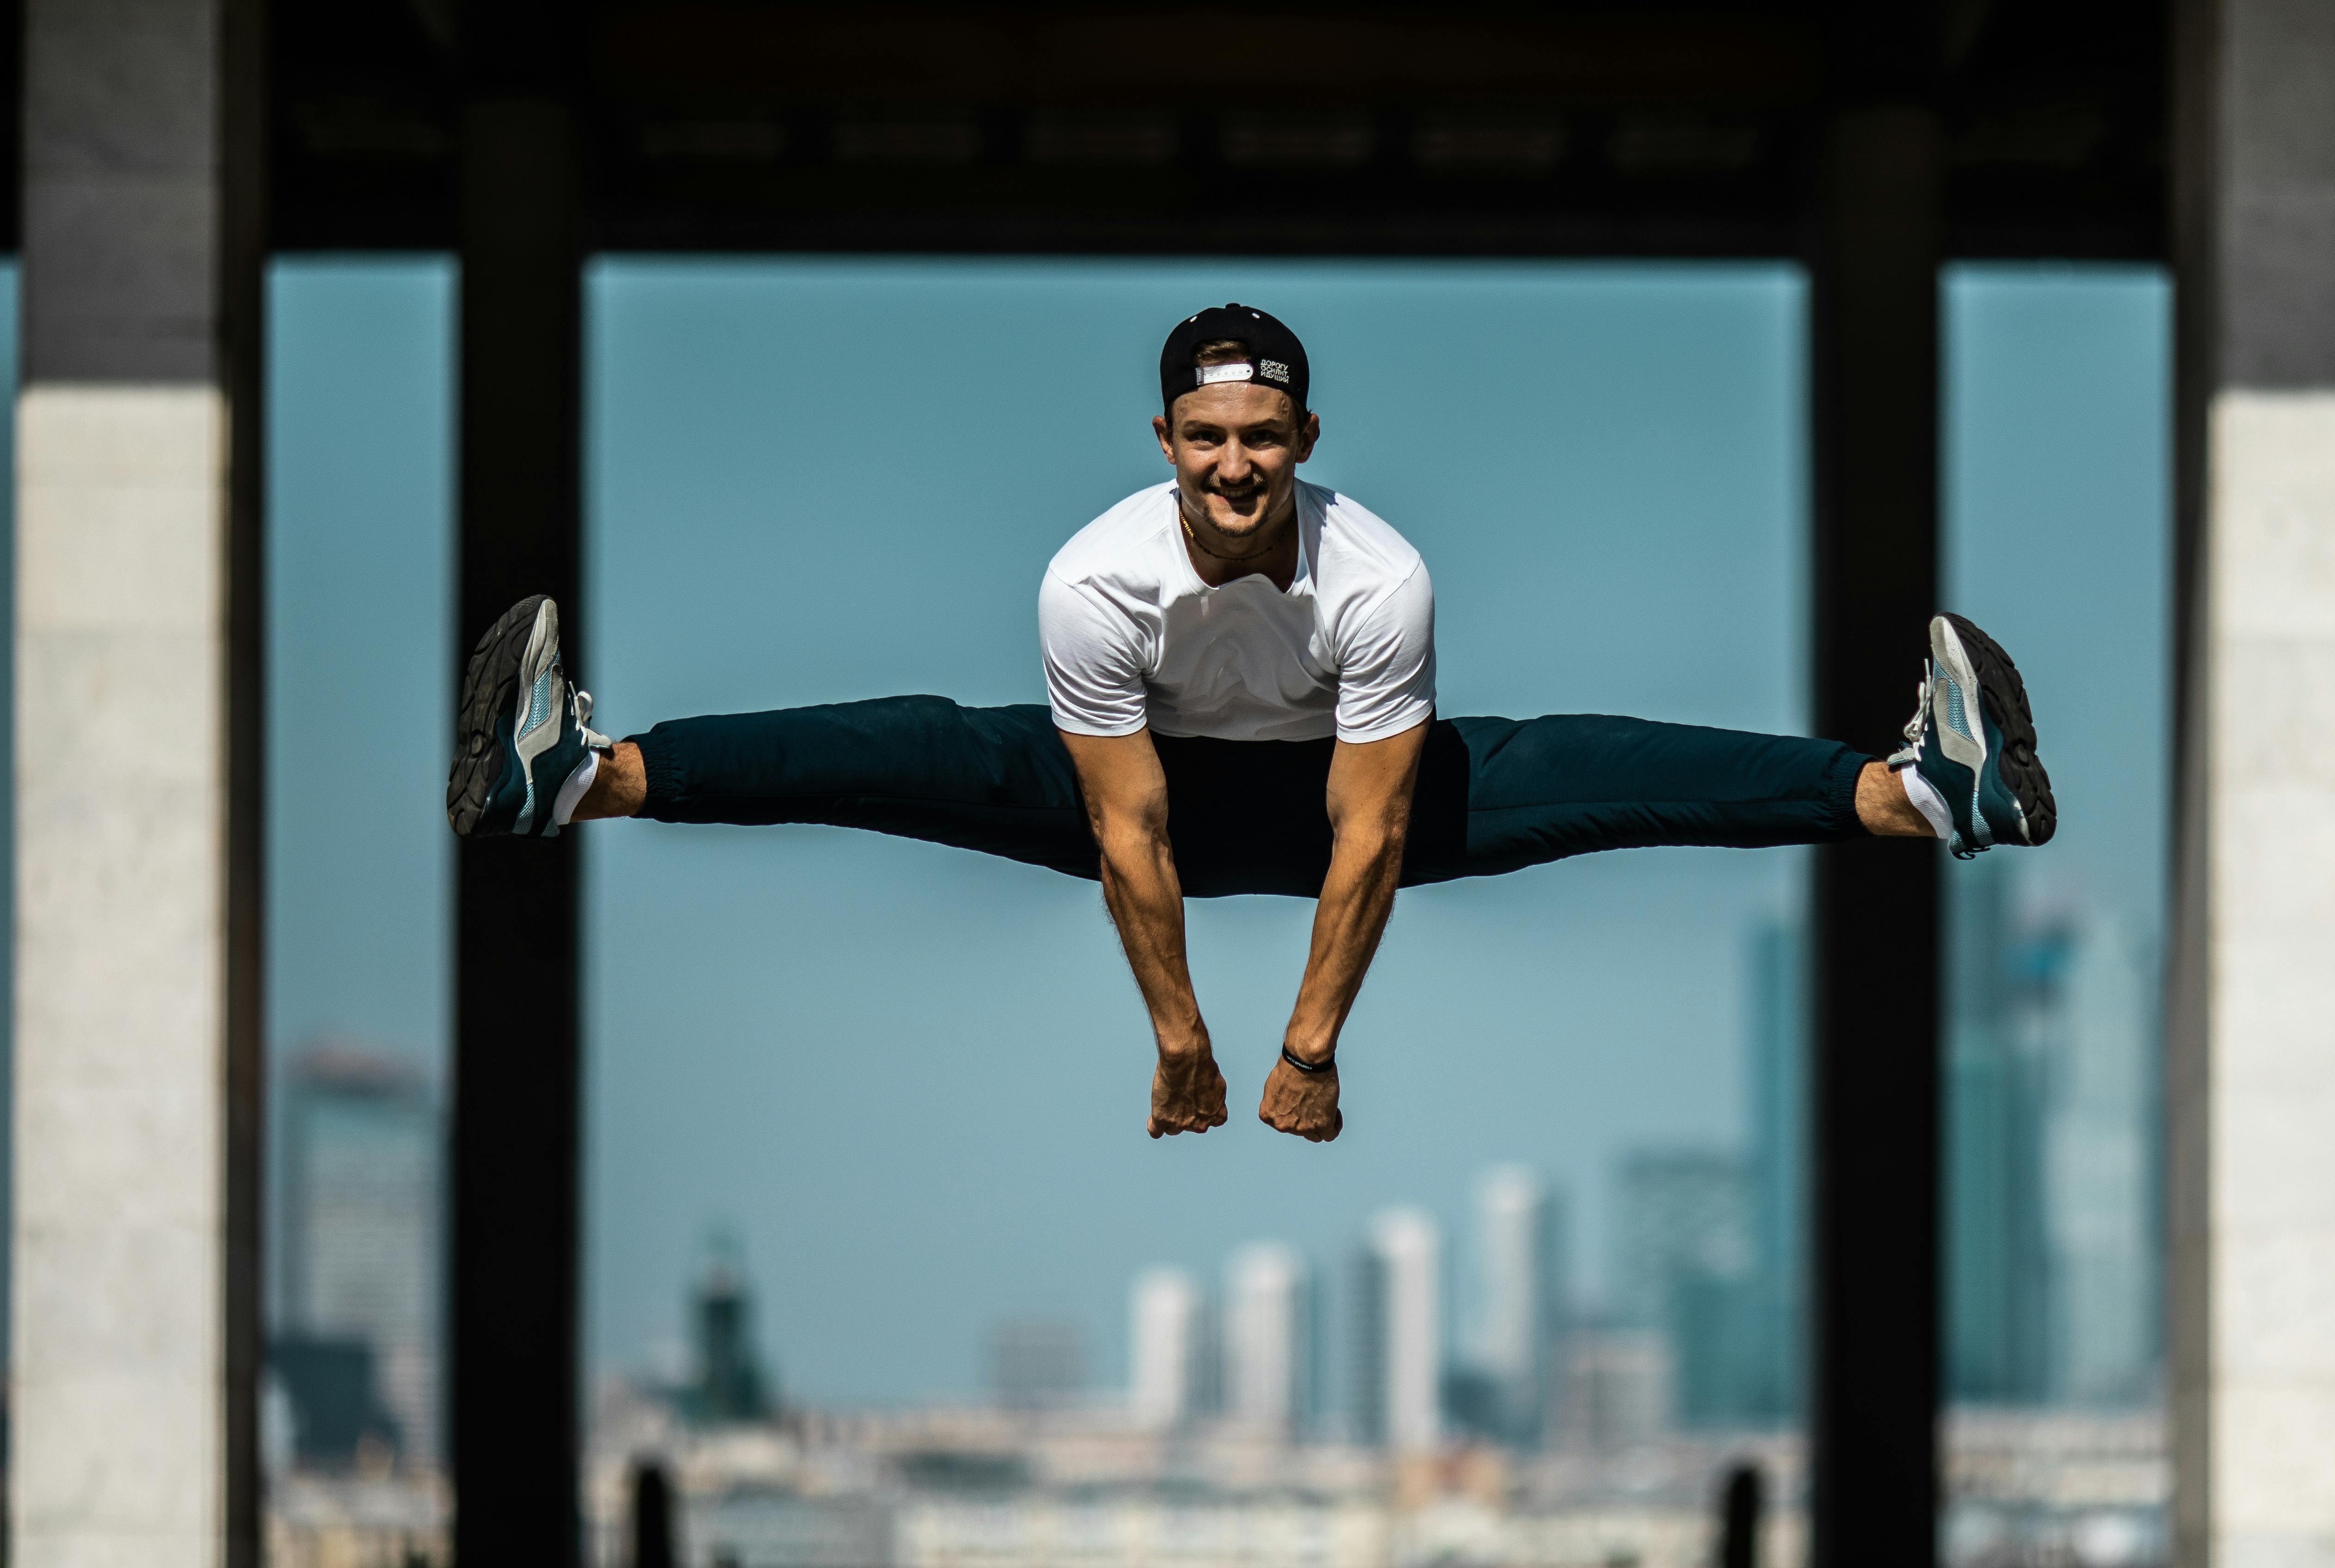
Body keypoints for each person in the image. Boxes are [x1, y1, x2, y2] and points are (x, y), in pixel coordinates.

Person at [450, 303, 2054, 1144]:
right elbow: (1131, 834)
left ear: (1305, 437)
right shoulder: (1096, 578)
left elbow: (1367, 840)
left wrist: (1308, 1050)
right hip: (1140, 792)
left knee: (1601, 767)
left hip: (1344, 799)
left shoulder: (1380, 576)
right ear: (1166, 438)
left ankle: (1926, 794)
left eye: (1265, 437)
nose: (1236, 467)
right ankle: (576, 775)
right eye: (1208, 437)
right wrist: (1182, 1042)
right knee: (912, 749)